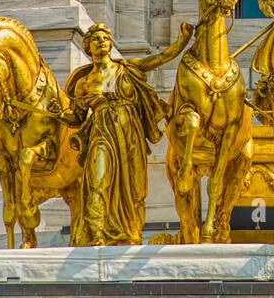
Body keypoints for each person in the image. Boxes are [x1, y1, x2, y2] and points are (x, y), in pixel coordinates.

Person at [58, 22, 192, 245]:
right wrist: (60, 115)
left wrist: (182, 41)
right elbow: (77, 117)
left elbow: (159, 59)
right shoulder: (83, 82)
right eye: (96, 39)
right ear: (88, 47)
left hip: (131, 134)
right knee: (97, 180)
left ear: (110, 43)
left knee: (135, 186)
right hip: (102, 134)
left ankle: (132, 233)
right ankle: (97, 233)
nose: (102, 41)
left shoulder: (128, 68)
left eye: (105, 38)